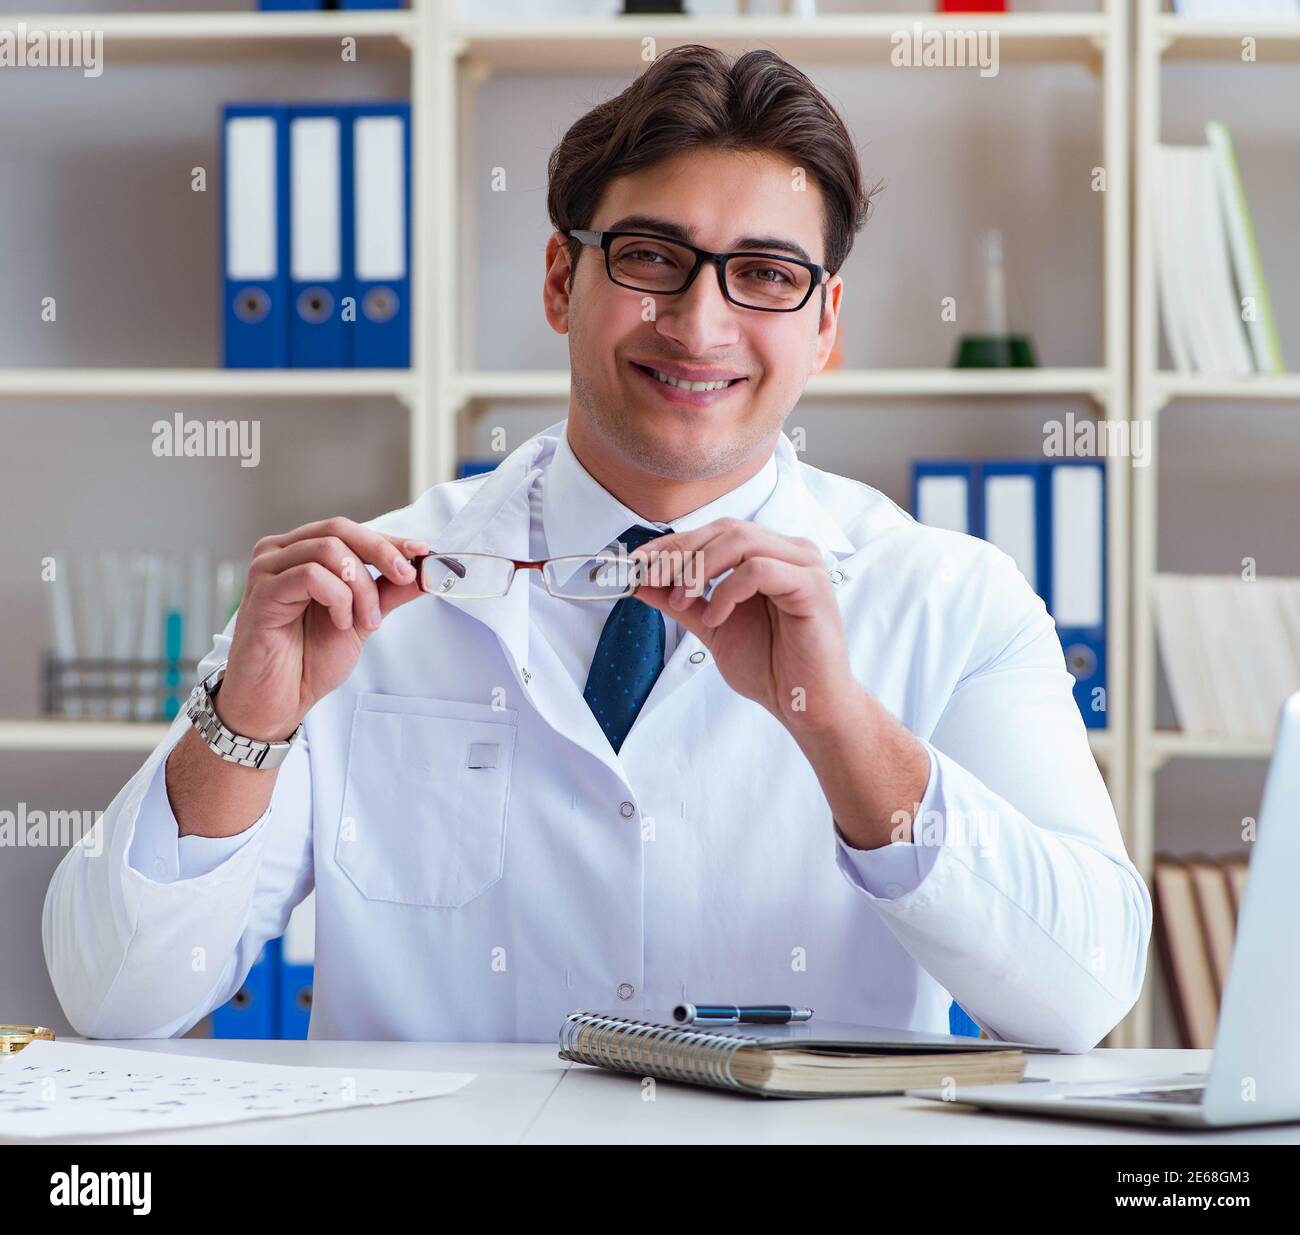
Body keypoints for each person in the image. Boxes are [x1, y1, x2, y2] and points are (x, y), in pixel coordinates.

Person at [44, 44, 1149, 1051]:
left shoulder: (950, 598)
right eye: (651, 256)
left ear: (825, 325)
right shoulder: (353, 592)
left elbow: (1080, 993)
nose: (700, 322)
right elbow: (116, 995)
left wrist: (843, 726)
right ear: (561, 280)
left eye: (764, 274)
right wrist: (245, 725)